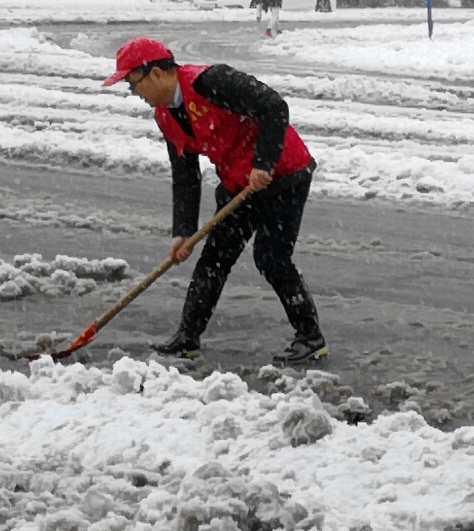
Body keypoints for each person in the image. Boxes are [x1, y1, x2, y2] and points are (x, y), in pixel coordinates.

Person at [102, 37, 327, 366]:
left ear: (155, 74)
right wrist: (183, 233)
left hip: (284, 175)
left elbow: (274, 107)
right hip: (238, 184)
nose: (135, 94)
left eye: (133, 84)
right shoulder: (165, 116)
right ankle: (187, 339)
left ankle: (310, 337)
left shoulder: (211, 81)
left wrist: (263, 163)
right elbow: (185, 175)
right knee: (214, 258)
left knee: (271, 257)